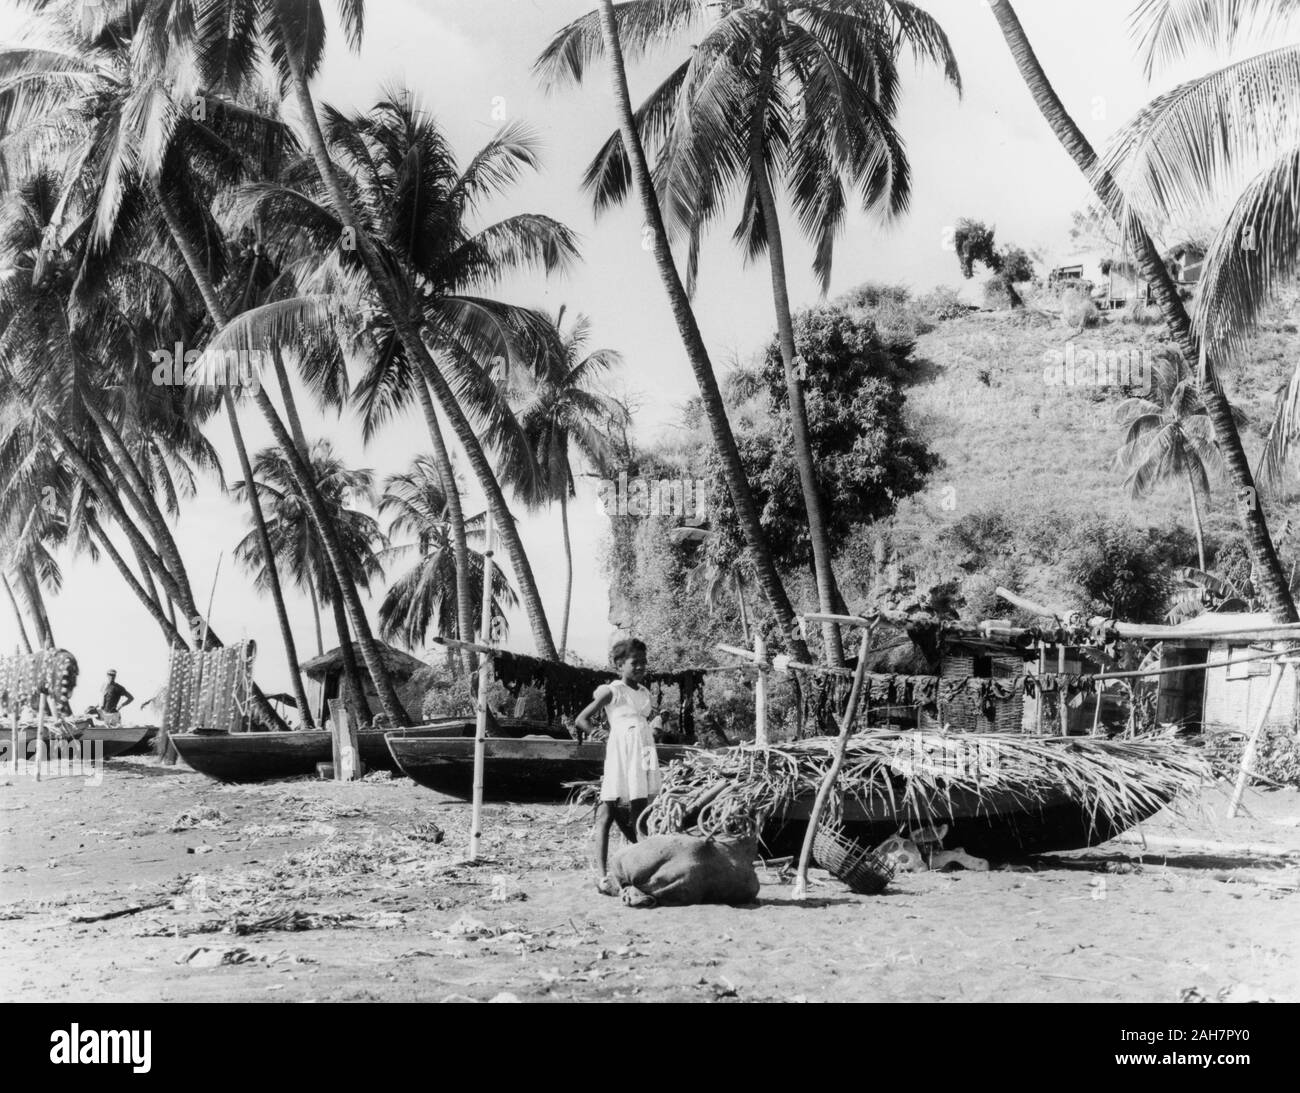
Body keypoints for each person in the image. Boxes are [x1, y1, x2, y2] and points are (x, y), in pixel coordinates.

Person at [576, 638, 662, 895]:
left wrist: (656, 728)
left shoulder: (645, 693)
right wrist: (598, 734)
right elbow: (582, 719)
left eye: (644, 663)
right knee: (608, 811)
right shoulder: (612, 691)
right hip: (621, 753)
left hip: (644, 751)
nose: (641, 667)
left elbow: (645, 722)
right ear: (619, 665)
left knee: (640, 808)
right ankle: (602, 876)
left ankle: (638, 870)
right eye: (635, 663)